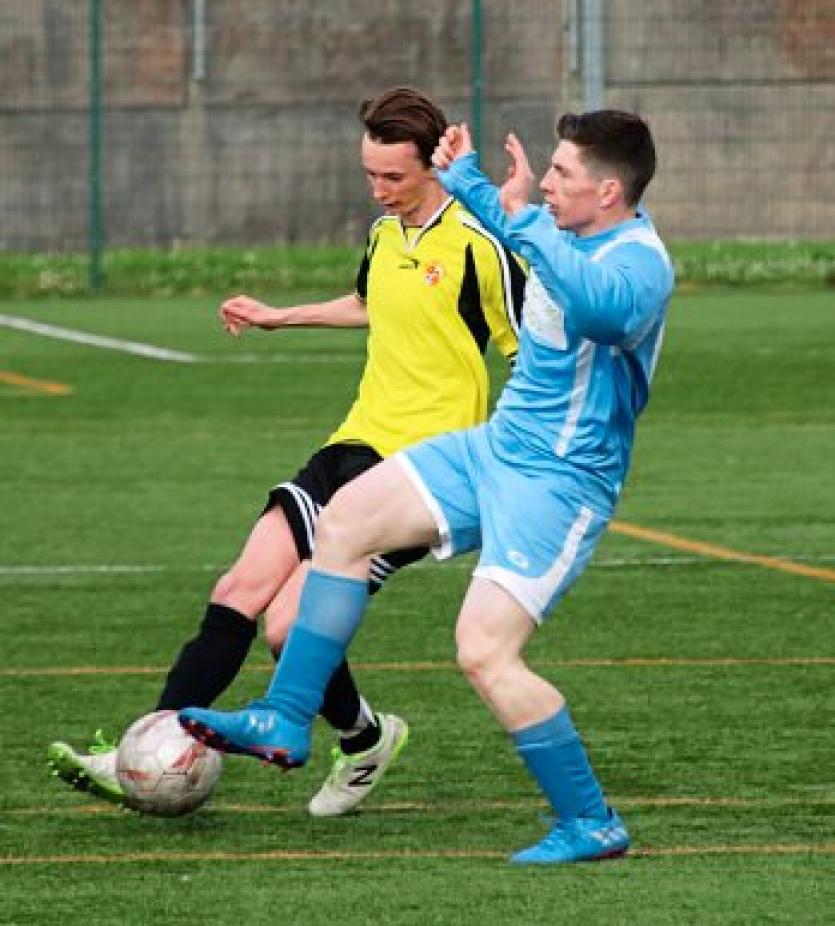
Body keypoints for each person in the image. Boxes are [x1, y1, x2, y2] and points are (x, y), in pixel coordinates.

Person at [179, 108, 675, 864]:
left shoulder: (639, 265)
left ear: (608, 191)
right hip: (495, 447)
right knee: (346, 517)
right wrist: (472, 184)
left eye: (562, 174)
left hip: (559, 483)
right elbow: (522, 236)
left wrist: (520, 218)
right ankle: (285, 716)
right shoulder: (562, 230)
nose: (546, 182)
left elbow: (596, 311)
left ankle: (590, 821)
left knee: (484, 653)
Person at [47, 87, 525, 817]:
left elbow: (529, 351)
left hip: (418, 476)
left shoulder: (478, 243)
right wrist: (281, 316)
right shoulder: (383, 233)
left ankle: (363, 742)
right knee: (240, 587)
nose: (378, 189)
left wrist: (506, 460)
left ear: (435, 166)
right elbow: (368, 304)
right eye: (369, 175)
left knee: (284, 627)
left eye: (392, 177)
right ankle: (137, 750)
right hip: (349, 447)